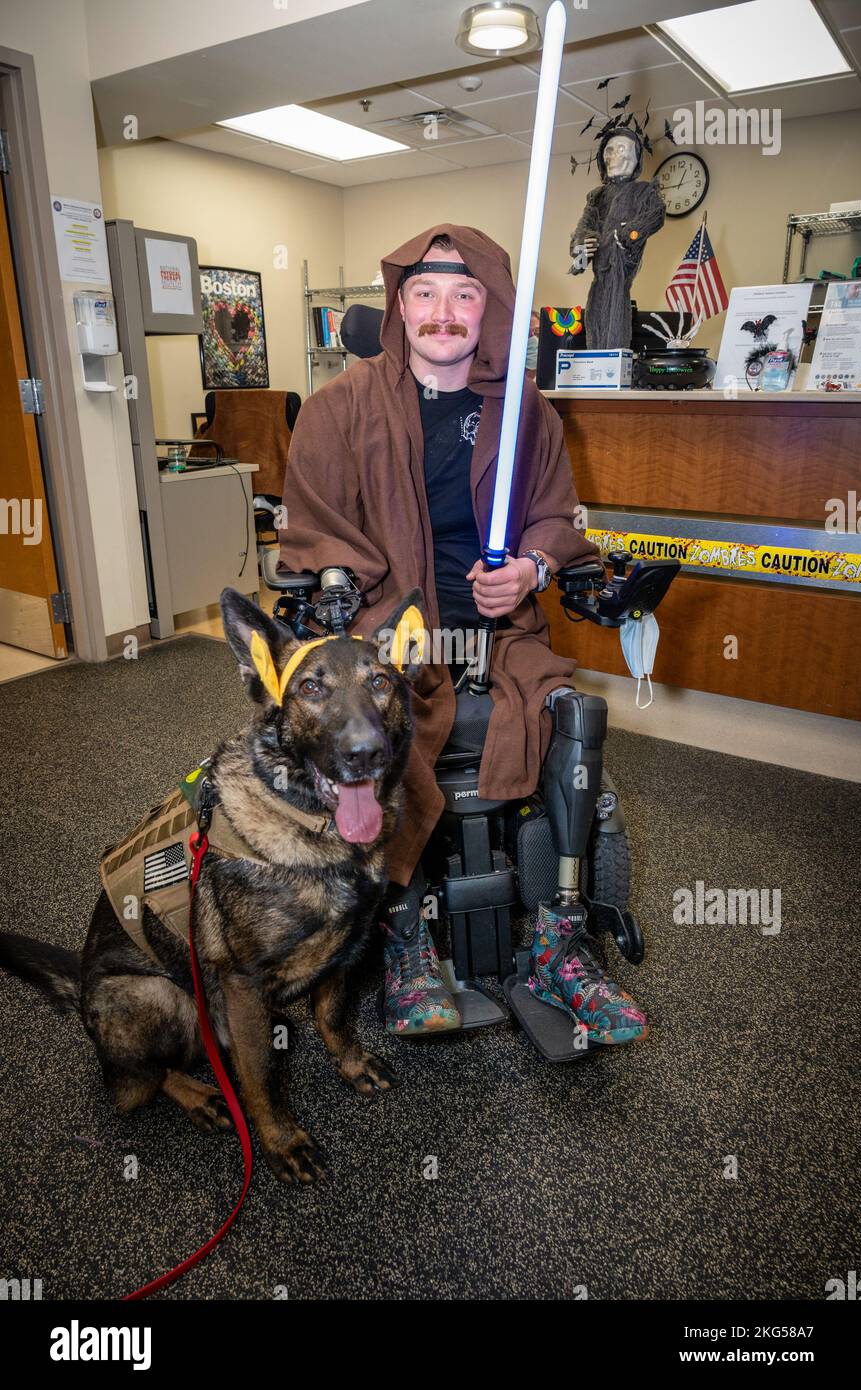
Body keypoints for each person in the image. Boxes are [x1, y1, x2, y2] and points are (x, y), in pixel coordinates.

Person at [278, 223, 647, 1042]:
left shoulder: (525, 413)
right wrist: (367, 602)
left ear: (490, 308)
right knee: (382, 721)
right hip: (389, 629)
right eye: (426, 292)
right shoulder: (341, 411)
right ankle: (408, 937)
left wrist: (531, 571)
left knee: (568, 716)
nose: (444, 311)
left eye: (464, 293)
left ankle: (559, 938)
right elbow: (310, 534)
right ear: (399, 305)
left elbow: (556, 518)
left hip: (495, 629)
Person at [569, 127, 665, 350]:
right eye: (608, 151)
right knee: (595, 320)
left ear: (635, 156)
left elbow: (655, 215)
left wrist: (628, 235)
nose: (612, 156)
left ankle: (611, 368)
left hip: (621, 270)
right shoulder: (597, 197)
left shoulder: (643, 192)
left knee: (615, 321)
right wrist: (582, 250)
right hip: (600, 275)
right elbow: (582, 235)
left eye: (621, 149)